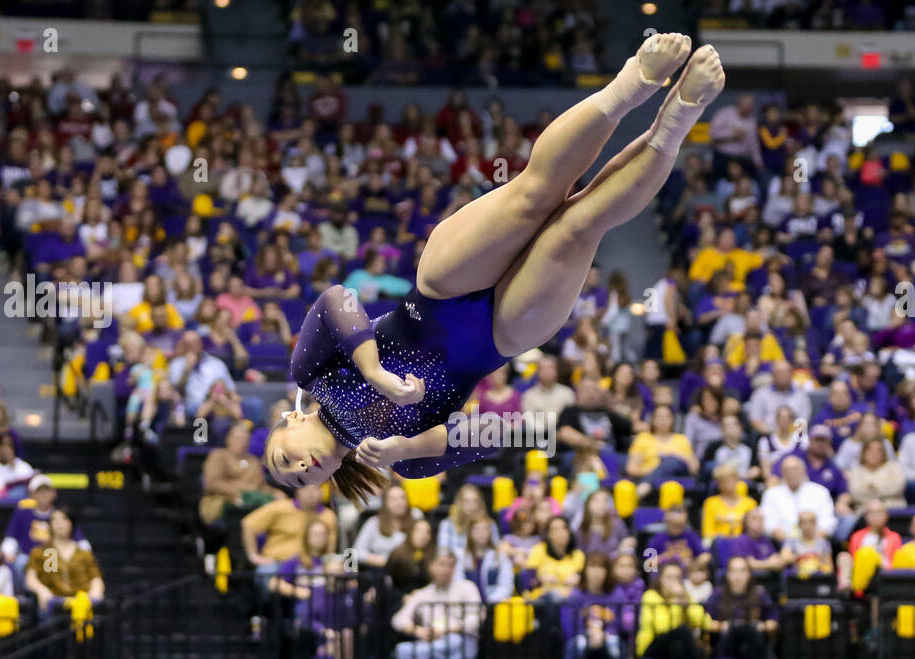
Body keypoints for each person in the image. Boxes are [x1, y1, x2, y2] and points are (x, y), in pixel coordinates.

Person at [264, 38, 727, 496]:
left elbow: (336, 300)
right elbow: (507, 429)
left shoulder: (310, 374)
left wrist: (374, 372)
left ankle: (633, 83)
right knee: (579, 224)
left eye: (286, 457)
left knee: (536, 194)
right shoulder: (409, 464)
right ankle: (679, 117)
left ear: (288, 421)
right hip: (502, 336)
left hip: (438, 292)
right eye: (302, 477)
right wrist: (404, 449)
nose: (303, 465)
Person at [385, 548, 482, 659]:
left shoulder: (466, 587)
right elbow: (398, 619)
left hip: (462, 642)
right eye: (442, 565)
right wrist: (417, 631)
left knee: (417, 653)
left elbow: (477, 618)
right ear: (432, 567)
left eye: (450, 566)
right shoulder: (423, 593)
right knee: (403, 650)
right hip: (430, 644)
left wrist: (449, 628)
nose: (446, 570)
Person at [25, 509, 106, 613]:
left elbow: (96, 578)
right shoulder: (46, 552)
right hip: (55, 603)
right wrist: (41, 590)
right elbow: (31, 578)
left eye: (64, 519)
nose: (59, 523)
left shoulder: (84, 554)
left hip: (81, 603)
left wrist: (96, 591)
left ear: (71, 523)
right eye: (55, 519)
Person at [352, 484, 416, 568]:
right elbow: (355, 552)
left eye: (402, 498)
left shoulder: (416, 517)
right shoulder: (374, 523)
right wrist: (382, 561)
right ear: (385, 502)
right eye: (393, 499)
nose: (399, 502)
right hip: (378, 571)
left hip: (408, 571)